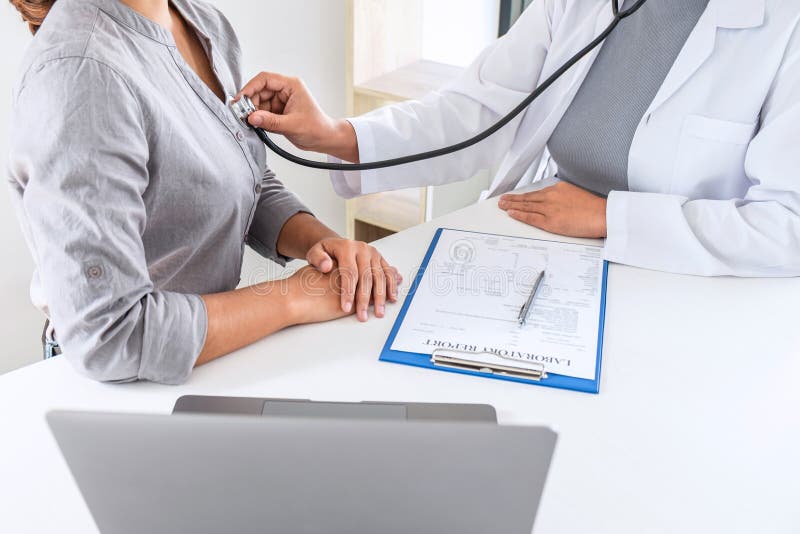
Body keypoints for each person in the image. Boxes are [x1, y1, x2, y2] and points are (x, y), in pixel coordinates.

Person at [237, 0, 800, 278]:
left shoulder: (783, 25)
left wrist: (612, 219)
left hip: (690, 279)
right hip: (545, 245)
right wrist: (336, 134)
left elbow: (787, 226)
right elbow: (476, 112)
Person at [6, 0, 401, 384]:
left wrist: (325, 246)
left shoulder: (199, 21)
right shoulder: (81, 75)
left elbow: (234, 179)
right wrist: (294, 297)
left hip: (207, 364)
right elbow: (112, 337)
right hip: (123, 394)